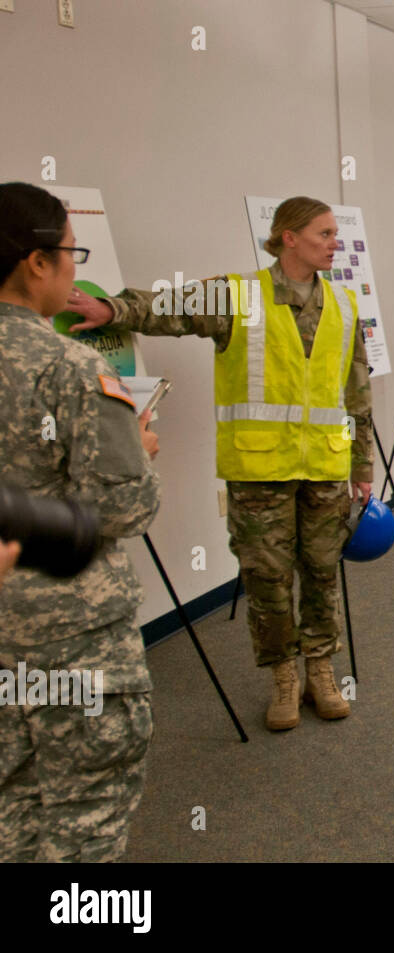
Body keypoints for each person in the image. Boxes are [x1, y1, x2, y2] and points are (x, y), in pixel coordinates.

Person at [63, 196, 373, 732]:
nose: (334, 243)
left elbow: (357, 393)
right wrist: (113, 309)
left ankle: (320, 669)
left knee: (321, 573)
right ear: (289, 237)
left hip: (325, 466)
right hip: (258, 470)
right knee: (268, 578)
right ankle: (283, 676)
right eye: (324, 233)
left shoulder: (345, 306)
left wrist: (361, 464)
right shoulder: (238, 294)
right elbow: (170, 308)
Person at [0, 181, 160, 862]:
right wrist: (141, 449)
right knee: (84, 827)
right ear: (38, 261)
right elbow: (126, 506)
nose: (72, 266)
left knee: (12, 810)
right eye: (71, 251)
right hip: (74, 642)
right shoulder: (70, 366)